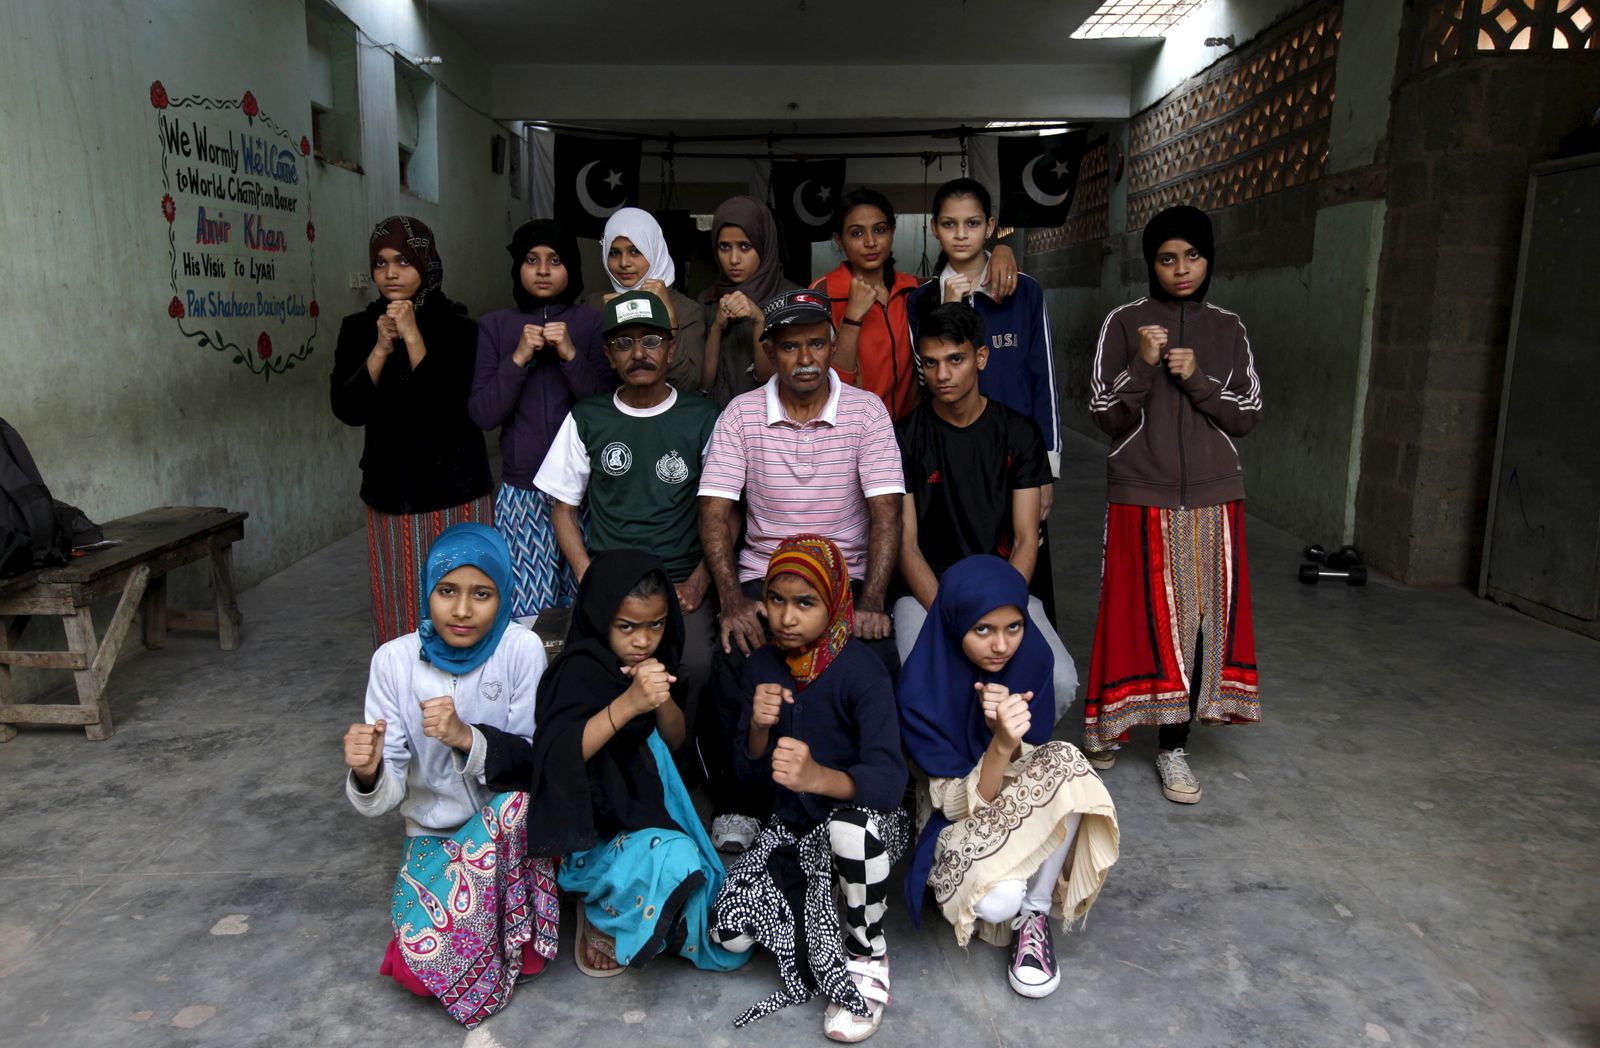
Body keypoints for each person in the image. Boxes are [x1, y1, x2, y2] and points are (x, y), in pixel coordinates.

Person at [697, 288, 904, 853]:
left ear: (832, 343)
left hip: (844, 581)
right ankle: (740, 804)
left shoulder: (865, 412)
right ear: (770, 350)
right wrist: (733, 601)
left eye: (816, 343)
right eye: (790, 347)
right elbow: (716, 511)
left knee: (877, 663)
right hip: (765, 576)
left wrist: (872, 602)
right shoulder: (742, 414)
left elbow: (887, 512)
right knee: (734, 656)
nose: (806, 358)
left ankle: (863, 795)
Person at [477, 551, 747, 977]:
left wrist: (658, 700)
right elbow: (559, 753)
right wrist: (628, 703)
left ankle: (634, 911)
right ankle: (599, 910)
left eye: (655, 625)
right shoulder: (577, 671)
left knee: (695, 881)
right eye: (627, 627)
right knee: (674, 861)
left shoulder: (657, 662)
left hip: (648, 805)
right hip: (595, 825)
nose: (643, 640)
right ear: (601, 616)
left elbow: (675, 739)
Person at [342, 523, 556, 1028]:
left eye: (481, 594)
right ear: (427, 592)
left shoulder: (521, 650)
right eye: (447, 592)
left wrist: (468, 738)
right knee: (415, 973)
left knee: (515, 810)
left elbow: (537, 760)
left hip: (510, 839)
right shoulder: (393, 662)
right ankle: (482, 936)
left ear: (502, 595)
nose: (461, 611)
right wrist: (369, 773)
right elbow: (388, 790)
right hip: (434, 836)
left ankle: (495, 932)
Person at [1083, 204, 1263, 803]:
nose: (1181, 269)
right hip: (1139, 489)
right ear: (1150, 264)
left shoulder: (1229, 327)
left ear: (1209, 259)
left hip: (1214, 497)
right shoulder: (1123, 322)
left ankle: (1173, 747)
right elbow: (1105, 415)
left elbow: (1248, 415)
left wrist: (1199, 379)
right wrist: (1144, 364)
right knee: (1131, 612)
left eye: (1192, 256)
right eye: (1166, 258)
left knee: (1198, 625)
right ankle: (1109, 724)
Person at [710, 535, 908, 1042]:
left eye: (805, 603)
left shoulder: (864, 673)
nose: (786, 617)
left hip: (868, 825)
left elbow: (889, 782)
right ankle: (821, 907)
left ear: (836, 601)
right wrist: (757, 730)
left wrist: (820, 778)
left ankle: (866, 951)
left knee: (850, 832)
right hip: (794, 828)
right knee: (727, 934)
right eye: (776, 600)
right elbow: (750, 781)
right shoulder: (764, 666)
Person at [897, 555, 1119, 999]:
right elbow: (954, 805)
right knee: (998, 902)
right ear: (955, 621)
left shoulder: (1032, 659)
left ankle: (1035, 914)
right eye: (983, 630)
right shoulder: (921, 689)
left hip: (1016, 798)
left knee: (1069, 765)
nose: (1001, 646)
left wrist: (1014, 740)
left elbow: (1035, 762)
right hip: (956, 817)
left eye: (1013, 627)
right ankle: (1019, 888)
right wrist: (999, 743)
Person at [533, 289, 720, 761]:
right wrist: (586, 574)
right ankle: (603, 765)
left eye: (652, 340)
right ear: (608, 355)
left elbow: (725, 511)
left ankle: (683, 762)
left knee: (696, 663)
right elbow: (563, 509)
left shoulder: (701, 417)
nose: (639, 354)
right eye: (624, 343)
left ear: (672, 348)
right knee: (581, 668)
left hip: (679, 583)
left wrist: (701, 578)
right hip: (610, 585)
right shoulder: (588, 417)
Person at [894, 302, 1078, 722]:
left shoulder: (1018, 433)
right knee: (919, 686)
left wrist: (995, 615)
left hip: (1003, 594)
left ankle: (1010, 770)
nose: (942, 375)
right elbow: (905, 546)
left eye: (955, 360)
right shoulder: (904, 437)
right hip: (928, 595)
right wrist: (953, 616)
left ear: (980, 357)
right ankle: (942, 783)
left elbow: (1026, 538)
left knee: (1062, 680)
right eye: (931, 363)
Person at [331, 216, 494, 646]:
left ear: (425, 261)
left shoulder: (461, 328)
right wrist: (382, 348)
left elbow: (452, 408)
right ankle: (403, 705)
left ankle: (463, 710)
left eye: (404, 260)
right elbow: (348, 408)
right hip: (391, 492)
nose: (391, 272)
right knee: (399, 609)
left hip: (455, 490)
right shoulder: (358, 328)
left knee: (461, 606)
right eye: (381, 262)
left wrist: (413, 336)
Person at [908, 178, 1063, 623]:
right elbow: (925, 377)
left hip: (1017, 456)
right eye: (950, 224)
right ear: (935, 228)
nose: (961, 234)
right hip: (950, 452)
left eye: (972, 223)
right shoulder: (921, 300)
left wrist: (1046, 468)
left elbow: (1043, 377)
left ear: (991, 226)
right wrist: (947, 307)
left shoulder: (1023, 291)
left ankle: (1023, 668)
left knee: (1024, 553)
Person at [470, 220, 612, 617]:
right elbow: (483, 413)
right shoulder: (496, 326)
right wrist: (517, 359)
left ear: (573, 268)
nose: (544, 270)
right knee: (527, 613)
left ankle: (580, 679)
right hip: (523, 491)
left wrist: (570, 354)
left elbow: (605, 407)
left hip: (586, 493)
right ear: (518, 267)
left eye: (555, 260)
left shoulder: (591, 324)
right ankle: (532, 681)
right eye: (532, 260)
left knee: (587, 604)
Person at [581, 207, 708, 396]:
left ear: (654, 250)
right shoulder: (594, 304)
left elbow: (687, 383)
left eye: (635, 251)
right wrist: (606, 322)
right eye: (614, 253)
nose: (624, 263)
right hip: (608, 417)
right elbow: (589, 383)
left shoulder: (687, 310)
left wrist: (669, 315)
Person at [698, 196, 799, 406]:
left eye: (745, 246)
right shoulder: (709, 300)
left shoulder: (791, 299)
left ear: (764, 245)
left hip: (773, 424)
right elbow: (704, 384)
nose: (734, 259)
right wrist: (716, 328)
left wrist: (760, 321)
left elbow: (771, 380)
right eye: (724, 247)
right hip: (718, 421)